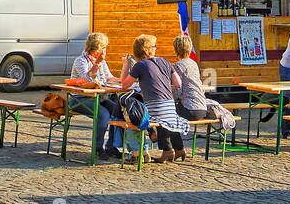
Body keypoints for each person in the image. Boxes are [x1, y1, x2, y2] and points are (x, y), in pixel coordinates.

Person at [121, 34, 189, 162]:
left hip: (156, 108)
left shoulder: (140, 65)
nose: (156, 48)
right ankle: (175, 149)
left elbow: (124, 85)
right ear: (147, 49)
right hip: (170, 107)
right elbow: (178, 83)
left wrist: (126, 65)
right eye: (154, 46)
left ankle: (138, 152)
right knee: (166, 119)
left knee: (131, 115)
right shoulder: (165, 61)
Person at [69, 32, 122, 159]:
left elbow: (109, 78)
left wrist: (124, 79)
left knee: (117, 110)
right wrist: (97, 64)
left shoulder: (102, 61)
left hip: (99, 97)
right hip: (79, 99)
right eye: (104, 47)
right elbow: (88, 80)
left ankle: (111, 146)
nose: (106, 50)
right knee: (103, 114)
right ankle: (98, 148)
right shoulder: (81, 61)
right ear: (96, 49)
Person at [172, 36, 239, 133]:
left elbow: (178, 90)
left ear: (176, 49)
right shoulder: (194, 64)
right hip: (202, 109)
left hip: (190, 110)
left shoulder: (178, 66)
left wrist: (170, 95)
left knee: (166, 115)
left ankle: (173, 146)